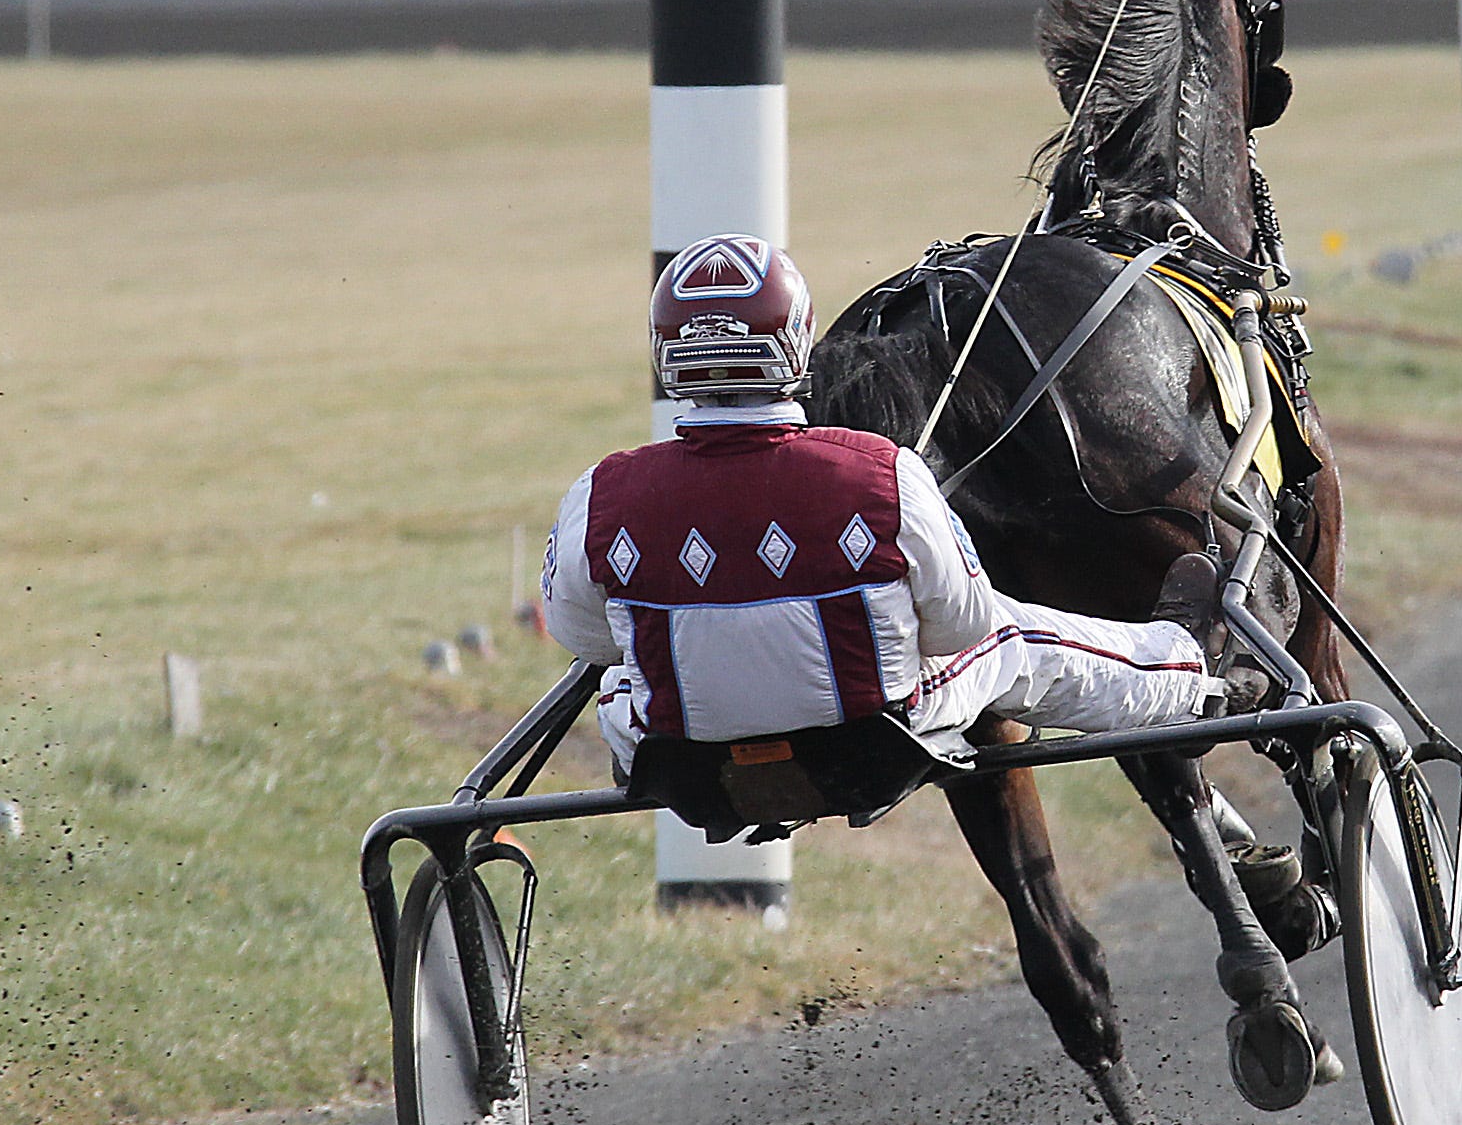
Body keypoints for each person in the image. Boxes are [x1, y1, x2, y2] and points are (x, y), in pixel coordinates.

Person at [540, 234, 1263, 778]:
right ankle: (1184, 675)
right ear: (796, 343)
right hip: (876, 729)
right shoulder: (882, 472)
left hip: (677, 749)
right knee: (1011, 643)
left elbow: (587, 638)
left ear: (667, 354)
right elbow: (964, 623)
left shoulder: (599, 493)